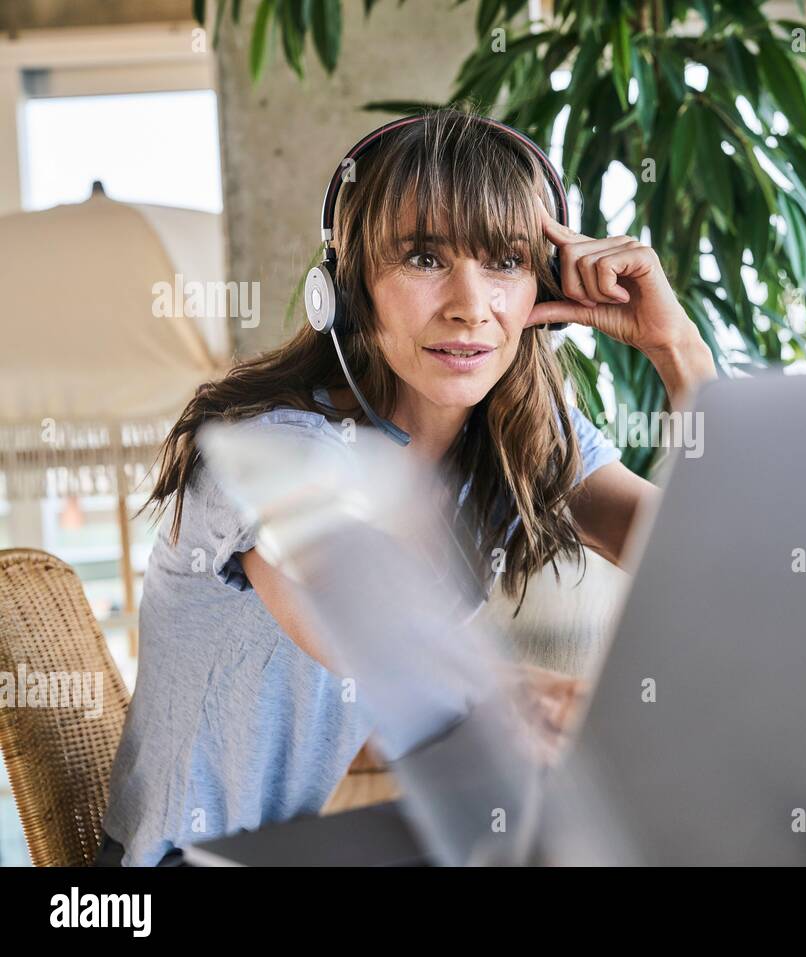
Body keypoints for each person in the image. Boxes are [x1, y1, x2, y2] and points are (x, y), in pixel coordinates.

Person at [96, 106, 716, 866]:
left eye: (505, 262)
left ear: (541, 288)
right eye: (424, 258)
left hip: (300, 847)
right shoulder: (266, 446)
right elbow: (355, 607)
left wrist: (676, 346)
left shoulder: (521, 435)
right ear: (349, 286)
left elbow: (713, 554)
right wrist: (511, 694)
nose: (469, 304)